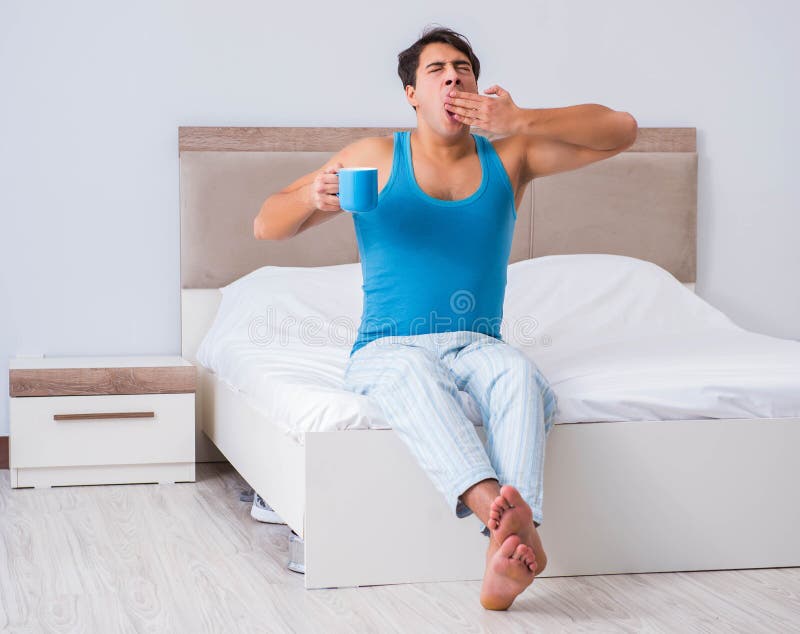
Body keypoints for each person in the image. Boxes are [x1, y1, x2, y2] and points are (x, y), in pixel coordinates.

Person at [254, 25, 637, 610]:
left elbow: (622, 130)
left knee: (518, 374)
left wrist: (521, 120)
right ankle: (505, 521)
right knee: (411, 376)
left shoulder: (511, 155)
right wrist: (311, 198)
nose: (453, 77)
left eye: (464, 69)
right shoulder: (373, 158)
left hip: (479, 342)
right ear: (412, 93)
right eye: (436, 70)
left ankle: (502, 549)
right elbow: (266, 224)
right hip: (388, 346)